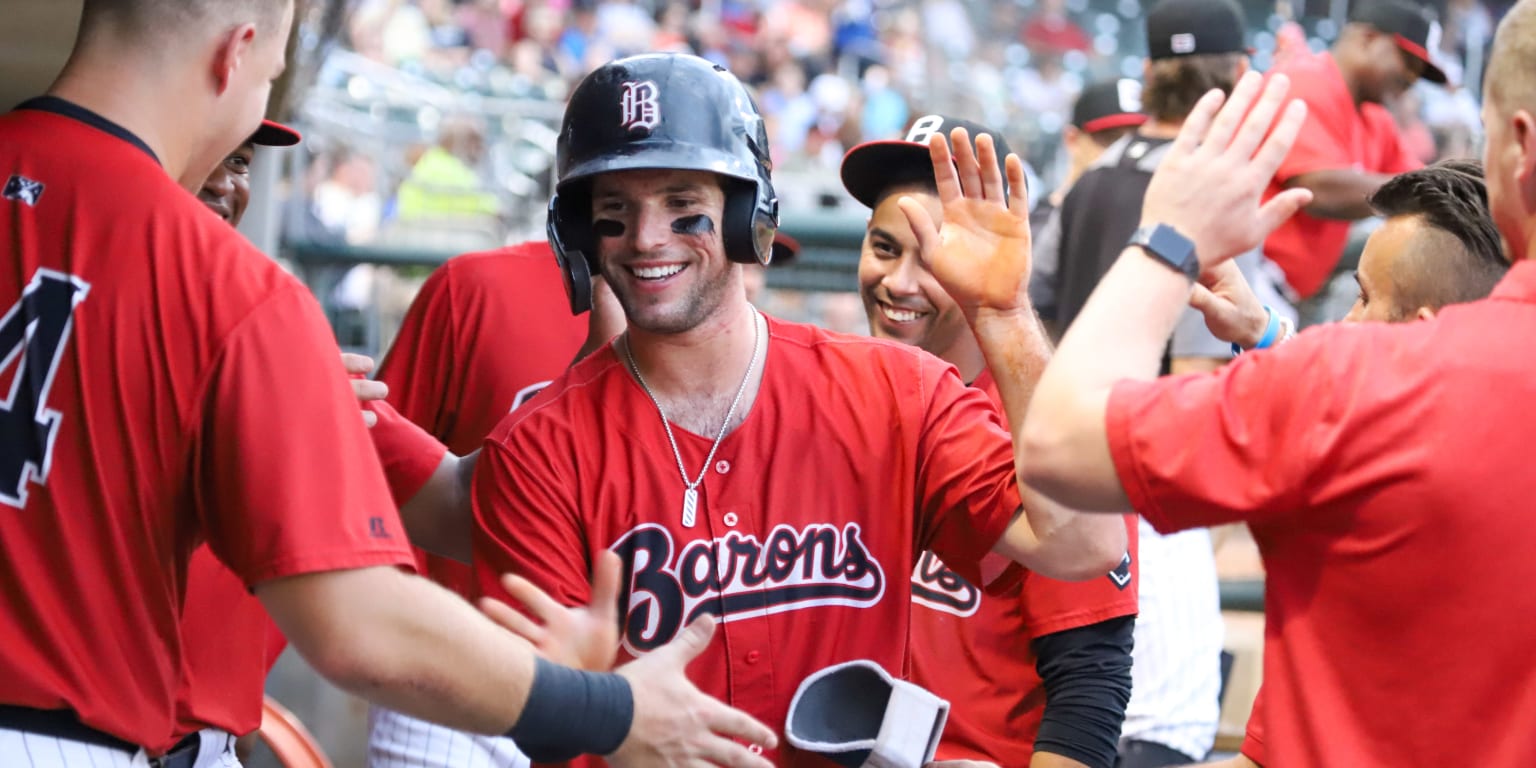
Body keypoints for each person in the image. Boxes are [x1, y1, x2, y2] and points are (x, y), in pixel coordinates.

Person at [0, 1, 775, 765]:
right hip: (75, 736)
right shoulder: (233, 297)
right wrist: (606, 712)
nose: (232, 169)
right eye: (268, 79)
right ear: (236, 53)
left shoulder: (238, 320)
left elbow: (473, 504)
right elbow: (358, 628)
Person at [473, 52, 1127, 766]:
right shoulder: (536, 449)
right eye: (613, 213)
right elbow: (540, 730)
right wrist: (592, 718)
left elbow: (1084, 546)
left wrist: (1001, 312)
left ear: (747, 215)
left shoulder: (895, 390)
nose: (647, 238)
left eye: (682, 206)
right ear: (579, 236)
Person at [1015, 0, 1536, 760]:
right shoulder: (1361, 374)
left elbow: (1057, 443)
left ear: (1519, 147)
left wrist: (1171, 240)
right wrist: (1266, 338)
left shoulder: (1356, 381)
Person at [841, 114, 1139, 768]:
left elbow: (1090, 682)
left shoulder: (1044, 422)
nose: (899, 284)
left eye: (938, 257)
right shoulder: (829, 400)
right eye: (885, 248)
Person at [1186, 159, 1506, 768]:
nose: (1343, 322)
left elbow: (1068, 446)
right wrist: (1263, 332)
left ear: (1421, 333)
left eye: (1362, 297)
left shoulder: (1361, 521)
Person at [1261, 0, 1446, 309]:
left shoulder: (1375, 117)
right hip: (1249, 276)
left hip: (1296, 289)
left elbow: (1418, 179)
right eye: (1407, 61)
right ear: (1368, 39)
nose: (1411, 79)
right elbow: (1317, 191)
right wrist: (1428, 190)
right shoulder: (1306, 81)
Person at [1030, 78, 1147, 329]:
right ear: (1072, 139)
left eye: (1137, 142)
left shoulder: (1151, 221)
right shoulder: (1035, 227)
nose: (1124, 154)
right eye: (1111, 140)